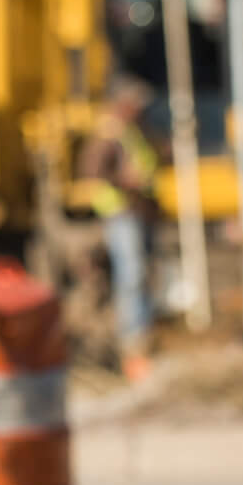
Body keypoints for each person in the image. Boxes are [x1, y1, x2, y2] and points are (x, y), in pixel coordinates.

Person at [83, 78, 160, 381]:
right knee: (132, 274)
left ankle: (144, 335)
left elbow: (150, 161)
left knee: (143, 274)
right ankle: (133, 342)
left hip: (140, 210)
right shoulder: (109, 132)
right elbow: (94, 172)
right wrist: (125, 181)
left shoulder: (134, 132)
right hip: (122, 213)